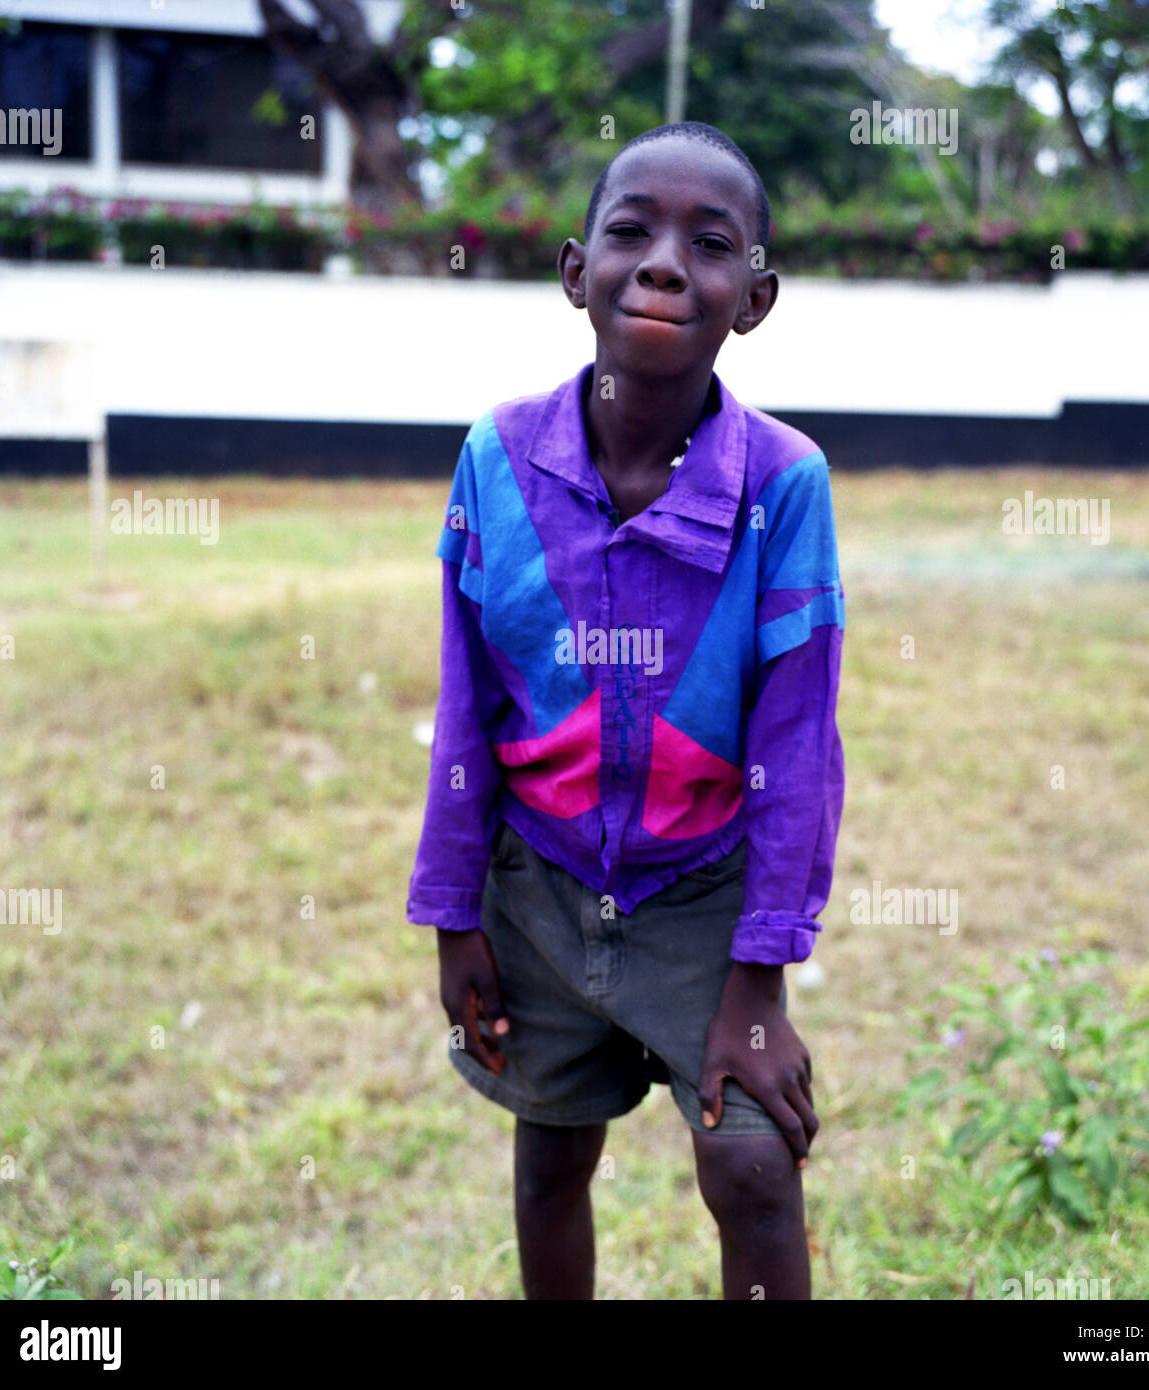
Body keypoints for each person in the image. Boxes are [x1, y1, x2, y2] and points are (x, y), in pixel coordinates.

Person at [406, 121, 845, 1300]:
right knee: (551, 1155)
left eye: (708, 245)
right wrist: (456, 915)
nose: (662, 264)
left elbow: (798, 745)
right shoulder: (495, 457)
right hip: (535, 884)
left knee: (754, 1171)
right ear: (573, 272)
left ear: (753, 298)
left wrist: (758, 979)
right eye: (631, 231)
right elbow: (468, 701)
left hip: (703, 892)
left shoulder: (784, 485)